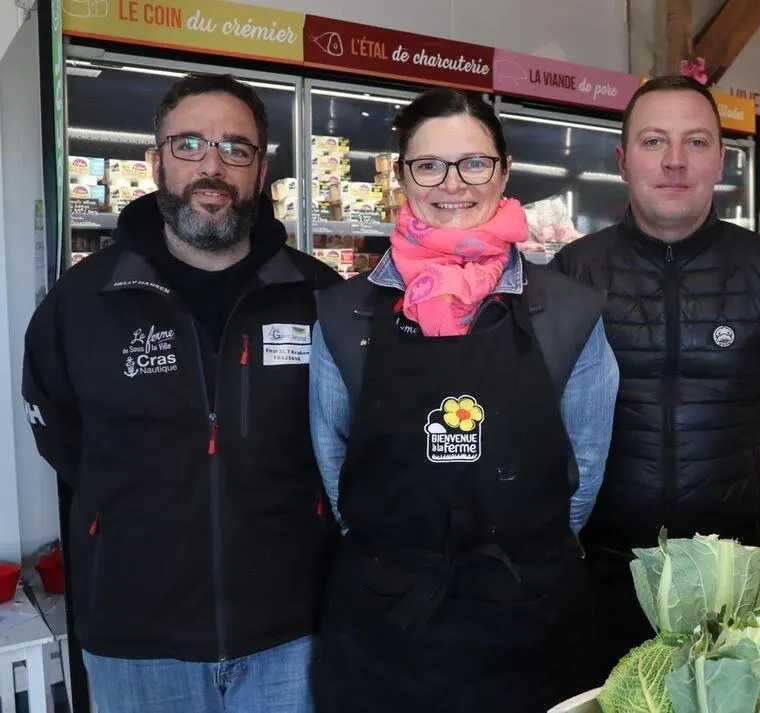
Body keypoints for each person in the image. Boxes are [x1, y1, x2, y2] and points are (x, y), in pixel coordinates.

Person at [21, 73, 341, 713]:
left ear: (261, 171)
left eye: (236, 148)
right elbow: (62, 437)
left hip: (295, 635)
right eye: (189, 144)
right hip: (135, 642)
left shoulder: (323, 297)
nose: (212, 167)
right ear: (155, 162)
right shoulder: (81, 303)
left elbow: (349, 442)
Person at [309, 87, 619, 713]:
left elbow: (582, 474)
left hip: (529, 620)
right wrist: (396, 560)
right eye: (429, 165)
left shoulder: (568, 312)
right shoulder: (346, 315)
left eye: (474, 163)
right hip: (384, 626)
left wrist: (528, 561)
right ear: (402, 177)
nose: (452, 183)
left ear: (504, 172)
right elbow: (335, 464)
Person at [552, 74, 760, 675]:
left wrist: (735, 452)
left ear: (720, 162)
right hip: (599, 571)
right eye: (654, 141)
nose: (675, 161)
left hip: (732, 575)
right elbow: (540, 414)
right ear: (622, 161)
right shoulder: (572, 273)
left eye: (696, 142)